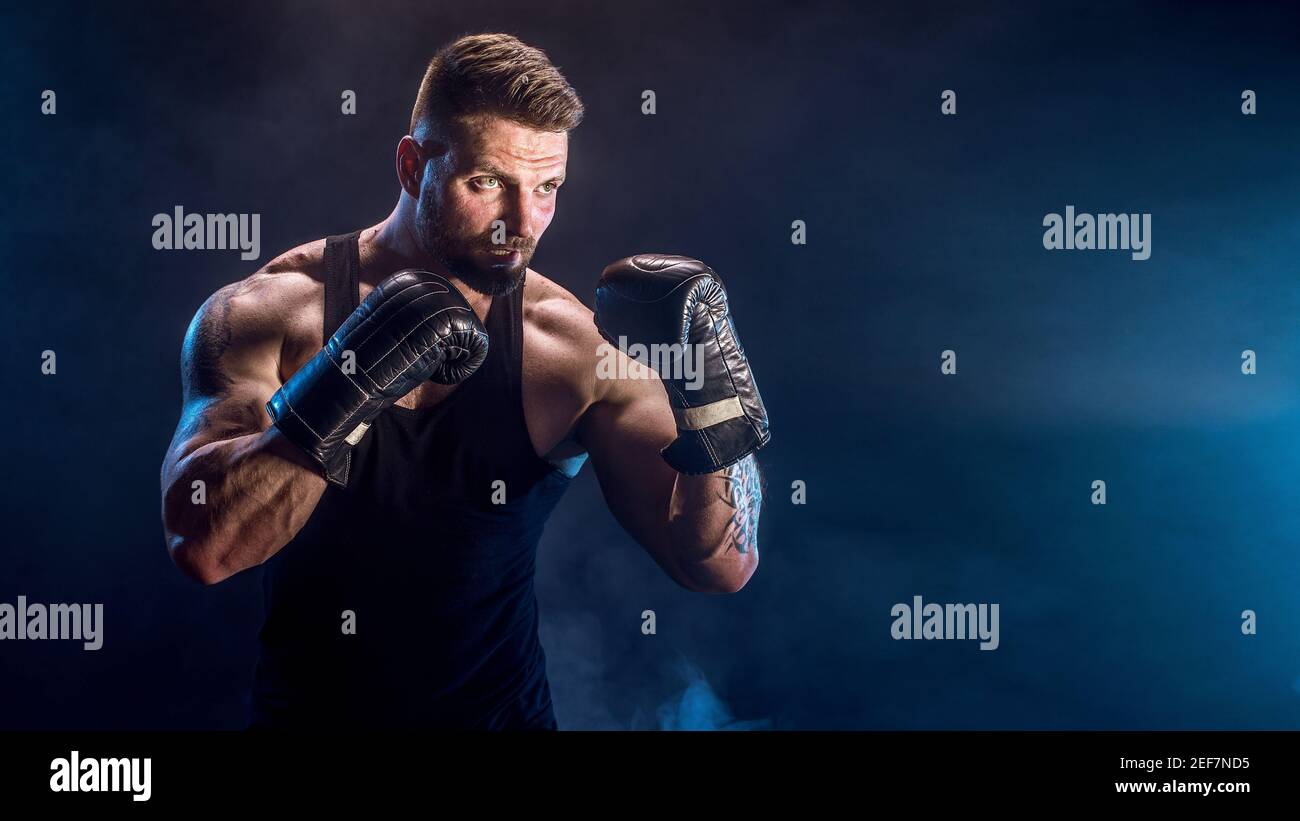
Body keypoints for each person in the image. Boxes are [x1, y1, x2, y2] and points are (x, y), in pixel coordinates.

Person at [159, 32, 769, 729]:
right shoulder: (270, 313)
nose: (521, 222)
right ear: (413, 164)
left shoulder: (569, 348)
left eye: (547, 188)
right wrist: (345, 382)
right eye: (488, 183)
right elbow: (202, 547)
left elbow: (716, 565)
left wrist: (715, 405)